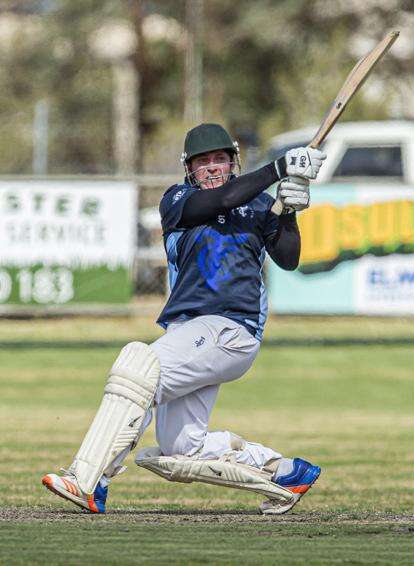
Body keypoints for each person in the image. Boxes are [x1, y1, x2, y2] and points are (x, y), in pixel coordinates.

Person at [42, 123, 327, 515]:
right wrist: (278, 170)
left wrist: (289, 211)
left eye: (220, 160)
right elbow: (220, 201)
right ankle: (286, 471)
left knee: (139, 369)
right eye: (203, 162)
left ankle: (90, 479)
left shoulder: (260, 205)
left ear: (233, 162)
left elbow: (288, 258)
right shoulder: (178, 200)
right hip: (190, 332)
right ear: (189, 168)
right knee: (182, 446)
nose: (212, 167)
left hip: (230, 329)